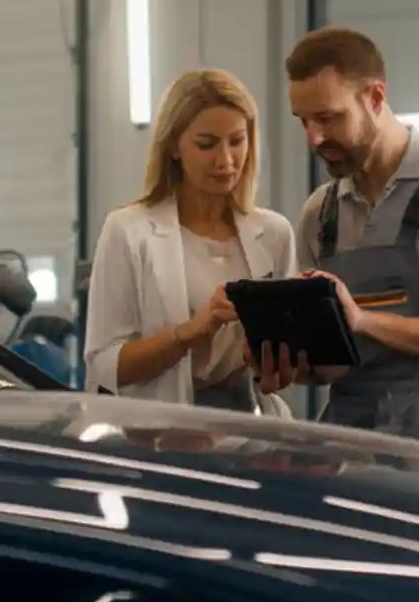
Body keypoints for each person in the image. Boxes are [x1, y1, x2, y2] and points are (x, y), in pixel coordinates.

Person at [254, 26, 419, 452]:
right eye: (304, 121)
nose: (313, 138)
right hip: (349, 430)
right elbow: (334, 366)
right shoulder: (321, 212)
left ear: (375, 97)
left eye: (328, 118)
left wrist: (363, 319)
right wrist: (293, 368)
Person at [83, 69, 296, 415]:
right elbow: (105, 367)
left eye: (237, 140)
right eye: (206, 144)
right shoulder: (127, 230)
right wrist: (190, 332)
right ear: (173, 148)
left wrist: (275, 369)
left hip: (252, 427)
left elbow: (280, 365)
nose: (226, 160)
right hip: (159, 432)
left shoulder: (274, 233)